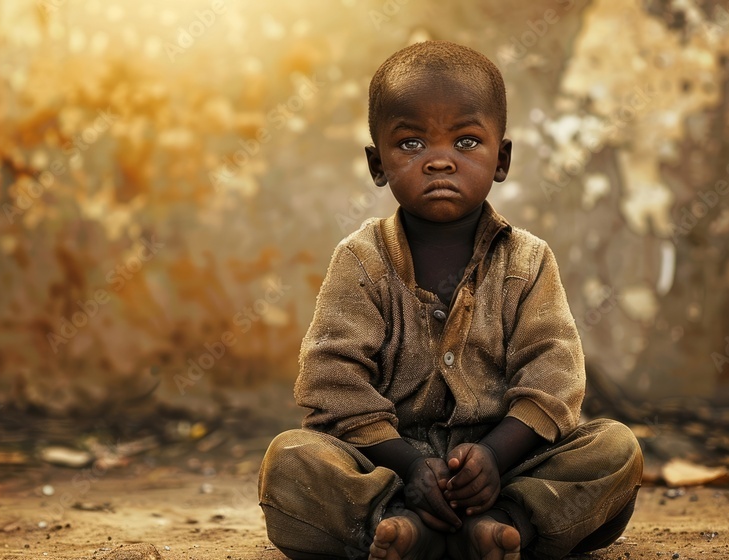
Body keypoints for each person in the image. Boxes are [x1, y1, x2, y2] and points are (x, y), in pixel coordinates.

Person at [258, 40, 643, 560]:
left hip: (505, 468)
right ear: (377, 164)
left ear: (501, 158)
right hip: (386, 469)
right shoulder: (360, 261)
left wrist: (493, 455)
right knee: (290, 461)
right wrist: (410, 467)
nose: (440, 161)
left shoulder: (528, 262)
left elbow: (553, 375)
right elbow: (332, 383)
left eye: (466, 141)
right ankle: (396, 524)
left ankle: (504, 525)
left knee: (614, 450)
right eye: (412, 144)